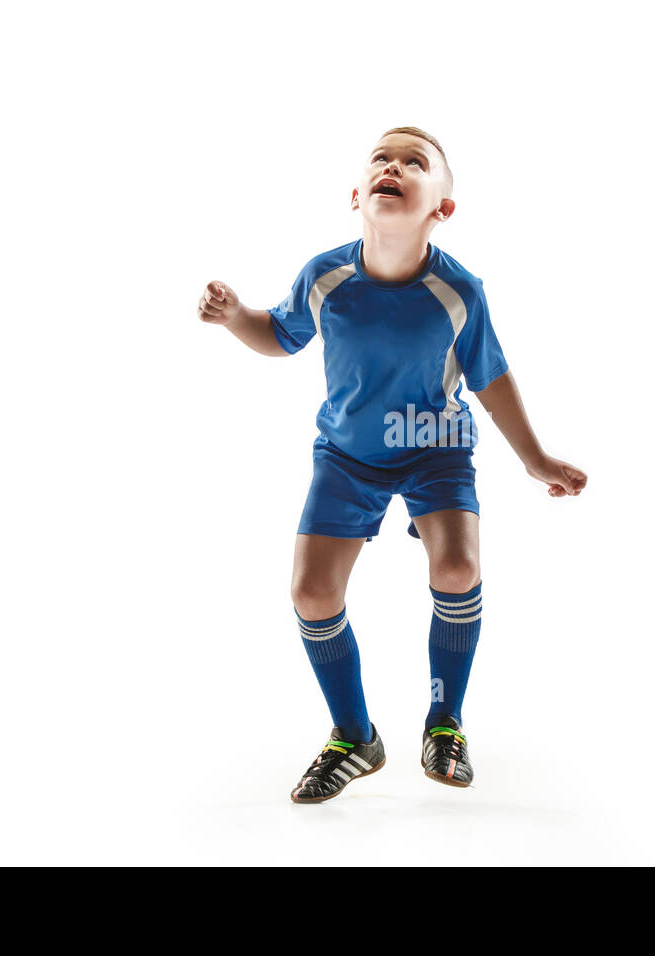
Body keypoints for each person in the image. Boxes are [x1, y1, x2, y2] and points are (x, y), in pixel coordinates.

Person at [197, 127, 588, 803]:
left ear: (442, 207)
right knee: (311, 593)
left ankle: (446, 723)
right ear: (357, 194)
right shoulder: (326, 275)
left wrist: (535, 458)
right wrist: (238, 318)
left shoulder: (459, 289)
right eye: (381, 158)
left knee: (459, 567)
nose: (393, 166)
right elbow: (279, 334)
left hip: (436, 449)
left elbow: (491, 379)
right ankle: (354, 736)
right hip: (347, 456)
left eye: (415, 162)